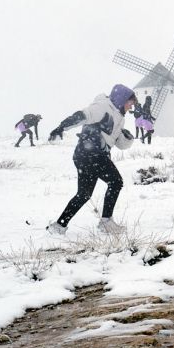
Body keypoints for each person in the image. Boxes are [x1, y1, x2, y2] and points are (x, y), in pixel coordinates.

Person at [45, 84, 137, 235]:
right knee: (116, 182)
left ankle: (58, 226)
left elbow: (118, 143)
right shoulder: (103, 107)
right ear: (121, 99)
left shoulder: (119, 116)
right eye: (130, 102)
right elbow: (82, 115)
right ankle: (106, 222)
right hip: (91, 153)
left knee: (84, 194)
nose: (131, 105)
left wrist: (127, 138)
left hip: (86, 155)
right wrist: (61, 127)